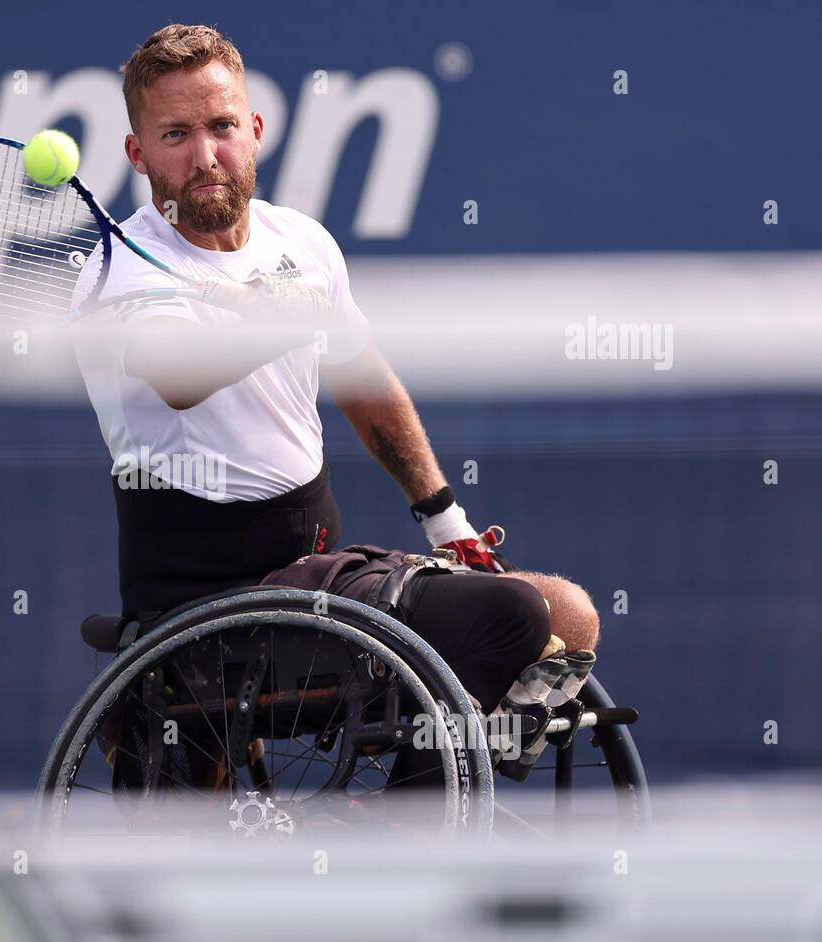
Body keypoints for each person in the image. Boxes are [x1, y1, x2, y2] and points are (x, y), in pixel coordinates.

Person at [73, 23, 599, 782]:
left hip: (318, 575)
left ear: (254, 131)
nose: (205, 156)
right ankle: (414, 827)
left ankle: (429, 800)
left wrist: (445, 519)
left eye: (222, 127)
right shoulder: (121, 269)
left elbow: (362, 379)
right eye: (176, 134)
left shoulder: (304, 244)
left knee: (569, 618)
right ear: (138, 154)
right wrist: (285, 310)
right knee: (510, 616)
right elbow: (178, 373)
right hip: (208, 606)